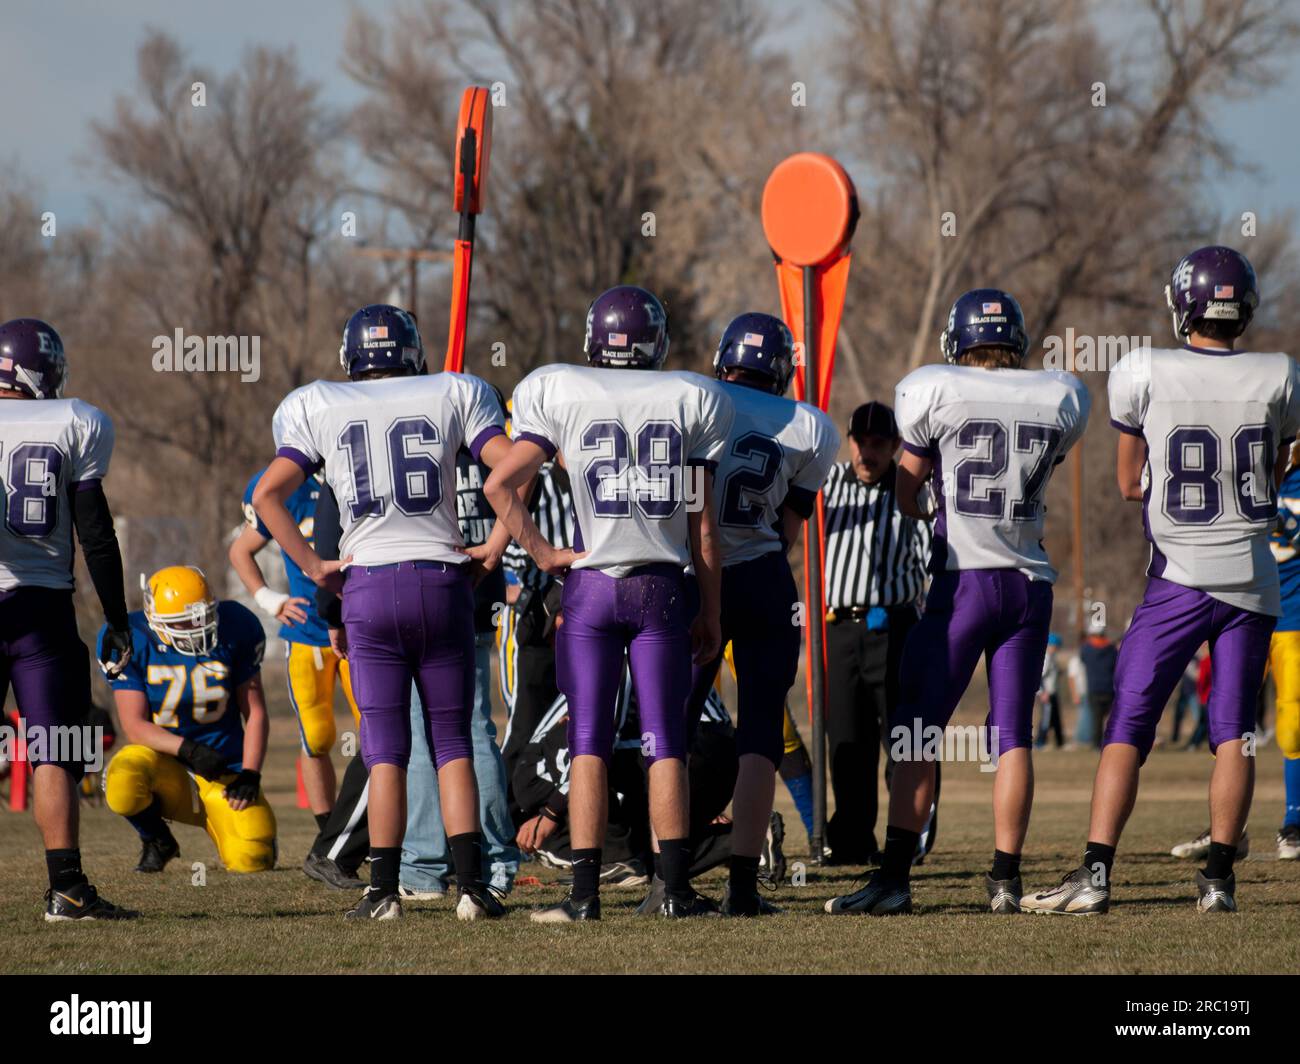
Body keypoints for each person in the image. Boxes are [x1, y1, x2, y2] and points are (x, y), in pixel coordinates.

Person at [1022, 245, 1299, 915]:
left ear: (1185, 307)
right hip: (1254, 581)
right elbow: (1284, 459)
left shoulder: (1143, 368)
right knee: (1233, 733)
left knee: (1127, 728)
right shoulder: (1279, 373)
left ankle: (1095, 874)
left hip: (1178, 580)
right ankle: (1220, 883)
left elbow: (1125, 482)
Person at [825, 288, 1089, 917]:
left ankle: (892, 878)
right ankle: (1005, 881)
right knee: (1013, 737)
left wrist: (934, 503)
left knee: (917, 731)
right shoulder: (1059, 394)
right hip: (1028, 585)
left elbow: (907, 493)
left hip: (963, 580)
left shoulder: (933, 388)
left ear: (957, 341)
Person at [253, 302, 514, 921]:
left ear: (352, 359)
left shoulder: (318, 404)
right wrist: (497, 547)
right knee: (453, 742)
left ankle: (383, 892)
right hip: (444, 580)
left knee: (386, 749)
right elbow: (514, 470)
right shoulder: (456, 391)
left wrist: (317, 570)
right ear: (413, 352)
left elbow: (267, 495)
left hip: (367, 586)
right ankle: (474, 889)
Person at [485, 284, 732, 921]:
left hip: (590, 587)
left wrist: (540, 551)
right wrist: (711, 610)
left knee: (589, 740)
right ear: (657, 343)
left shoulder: (560, 388)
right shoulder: (692, 397)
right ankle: (673, 891)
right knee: (664, 740)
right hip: (660, 587)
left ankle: (584, 897)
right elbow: (703, 528)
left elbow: (500, 483)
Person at [681, 311, 837, 915]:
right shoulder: (810, 426)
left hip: (697, 576)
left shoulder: (696, 399)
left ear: (724, 358)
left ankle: (670, 876)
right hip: (767, 582)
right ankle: (742, 885)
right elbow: (790, 530)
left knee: (671, 729)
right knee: (760, 735)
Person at [0, 317, 138, 921]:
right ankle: (68, 888)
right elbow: (97, 537)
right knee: (53, 746)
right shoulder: (75, 421)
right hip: (42, 607)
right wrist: (118, 618)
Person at [231, 465, 360, 881]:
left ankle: (371, 833)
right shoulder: (283, 484)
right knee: (318, 736)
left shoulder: (361, 467)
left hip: (362, 626)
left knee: (379, 736)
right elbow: (241, 550)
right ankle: (329, 837)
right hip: (308, 634)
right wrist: (270, 599)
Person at [102, 566, 276, 874]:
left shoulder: (236, 625)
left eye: (202, 616)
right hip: (165, 766)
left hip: (225, 772)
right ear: (155, 619)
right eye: (181, 621)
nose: (195, 626)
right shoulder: (131, 636)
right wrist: (189, 750)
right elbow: (134, 725)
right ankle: (156, 838)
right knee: (122, 778)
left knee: (253, 857)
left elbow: (255, 710)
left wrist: (250, 774)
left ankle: (236, 826)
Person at [821, 400, 932, 865]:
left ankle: (909, 836)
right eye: (860, 442)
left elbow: (930, 554)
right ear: (849, 442)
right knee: (847, 739)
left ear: (895, 447)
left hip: (897, 626)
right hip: (841, 626)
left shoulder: (909, 490)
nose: (868, 453)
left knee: (903, 737)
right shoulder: (827, 486)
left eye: (879, 444)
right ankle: (851, 838)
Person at [1268, 446, 1300, 858]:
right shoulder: (1247, 466)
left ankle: (1294, 819)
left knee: (1293, 723)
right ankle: (1228, 828)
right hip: (1242, 612)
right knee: (1227, 720)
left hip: (1292, 618)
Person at [1078, 616, 1117, 747]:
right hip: (1109, 688)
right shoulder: (1111, 649)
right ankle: (1112, 741)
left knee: (1097, 719)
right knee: (1112, 718)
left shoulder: (1086, 649)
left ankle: (1096, 744)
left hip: (1093, 688)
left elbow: (1082, 660)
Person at [1035, 633, 1065, 749]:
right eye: (1055, 646)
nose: (1057, 649)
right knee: (1046, 719)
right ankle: (1040, 742)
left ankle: (1060, 743)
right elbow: (1039, 676)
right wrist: (1042, 692)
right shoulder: (1046, 657)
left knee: (1056, 718)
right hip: (1046, 694)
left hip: (1053, 693)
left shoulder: (1052, 657)